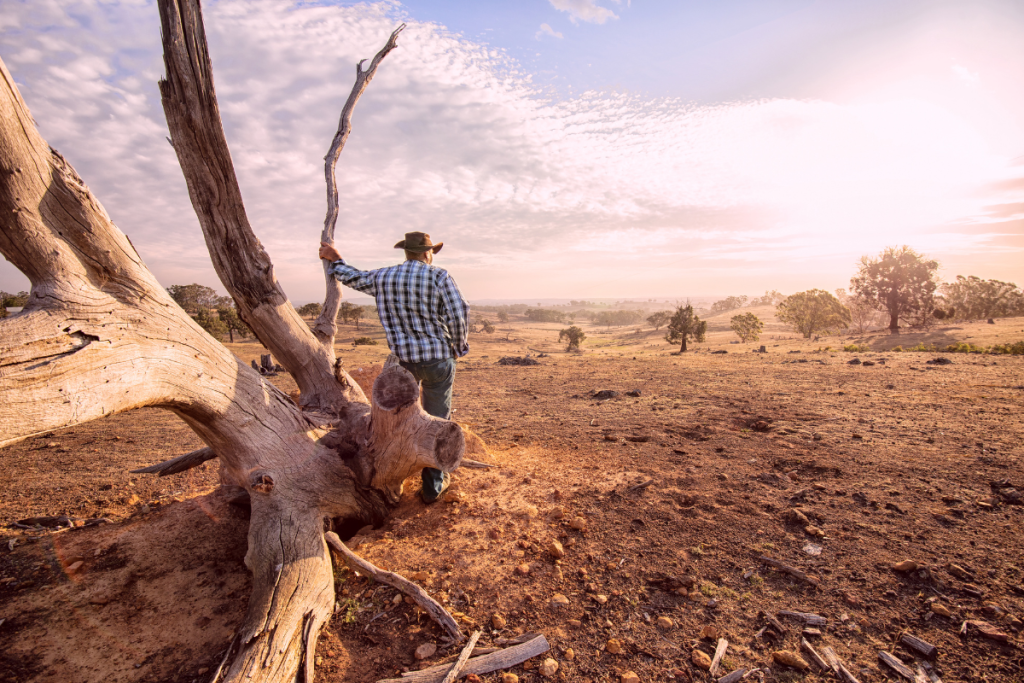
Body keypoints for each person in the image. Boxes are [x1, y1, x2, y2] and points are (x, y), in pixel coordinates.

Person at [318, 232, 469, 503]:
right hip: (438, 360)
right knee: (438, 418)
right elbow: (460, 313)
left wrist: (335, 259)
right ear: (427, 253)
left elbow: (353, 277)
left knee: (403, 420)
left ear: (406, 252)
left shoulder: (385, 277)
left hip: (404, 364)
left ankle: (393, 470)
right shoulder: (439, 276)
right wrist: (458, 347)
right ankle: (433, 486)